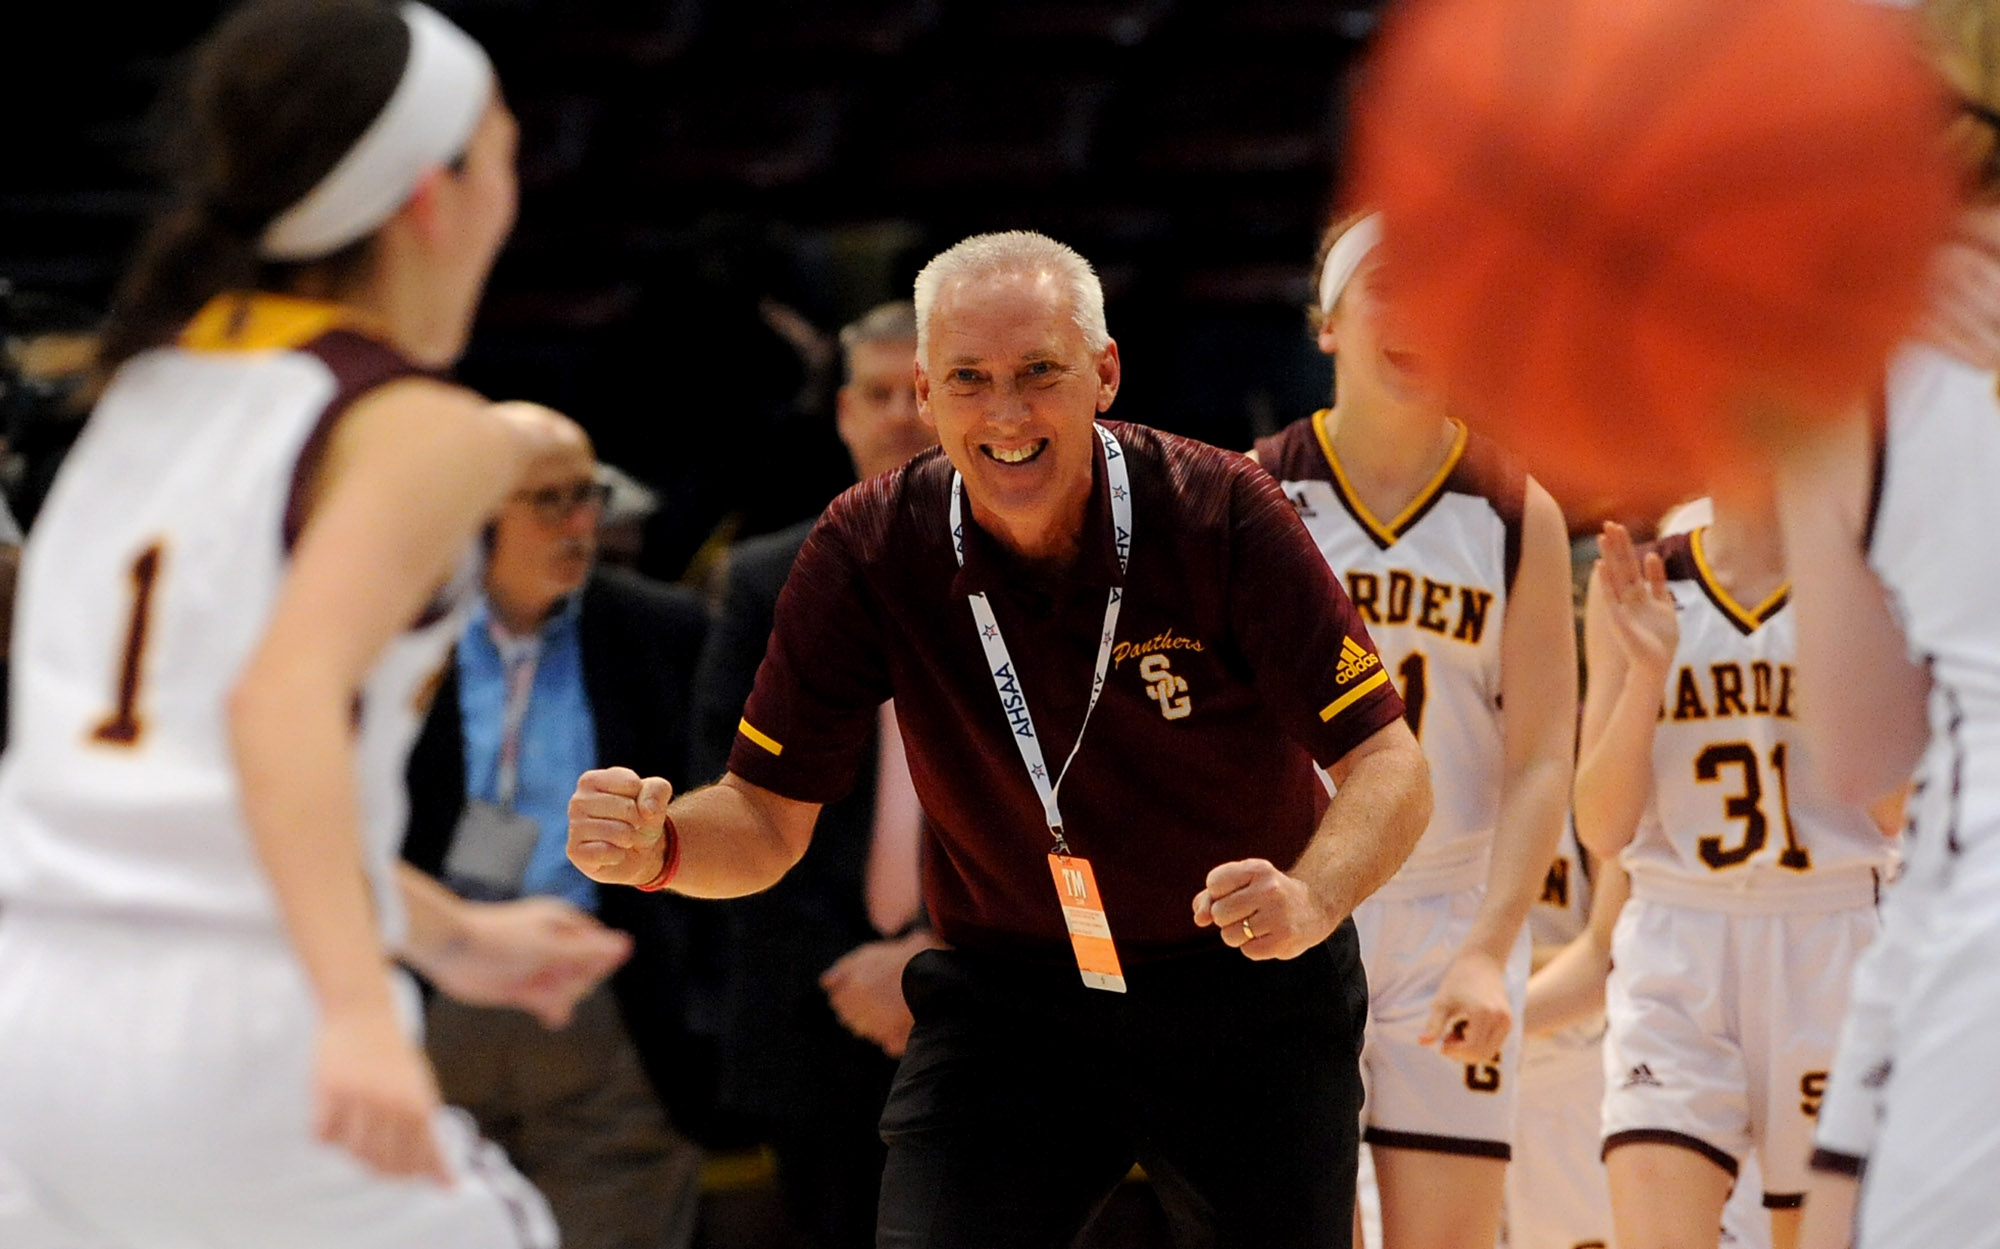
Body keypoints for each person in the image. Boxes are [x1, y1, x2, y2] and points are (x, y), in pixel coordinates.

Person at [570, 229, 1432, 1249]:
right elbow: (762, 818)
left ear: (1104, 373)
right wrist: (661, 845)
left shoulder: (1219, 508)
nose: (1007, 413)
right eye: (970, 379)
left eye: (1038, 373)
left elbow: (1387, 761)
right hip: (1011, 995)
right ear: (926, 393)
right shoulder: (866, 544)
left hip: (1244, 982)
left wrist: (1312, 896)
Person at [0, 2, 597, 1243]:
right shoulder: (407, 424)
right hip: (240, 1023)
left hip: (33, 1018)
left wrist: (446, 933)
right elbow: (277, 706)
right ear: (431, 196)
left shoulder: (145, 382)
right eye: (503, 154)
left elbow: (181, 800)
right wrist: (360, 1011)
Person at [1251, 211, 1577, 1249]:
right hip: (1304, 897)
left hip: (1452, 909)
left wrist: (1490, 947)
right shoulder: (1255, 491)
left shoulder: (1514, 506)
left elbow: (1541, 757)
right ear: (1328, 322)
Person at [402, 411, 708, 1249]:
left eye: (589, 496)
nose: (581, 524)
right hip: (431, 982)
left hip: (603, 991)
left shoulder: (664, 629)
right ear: (473, 512)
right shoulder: (397, 633)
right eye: (549, 501)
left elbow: (719, 812)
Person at [1574, 481, 1894, 1249]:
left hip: (1831, 934)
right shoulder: (1641, 581)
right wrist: (1647, 675)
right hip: (1677, 939)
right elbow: (1601, 825)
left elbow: (1900, 812)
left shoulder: (1869, 579)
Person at [690, 299, 937, 1249]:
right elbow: (730, 788)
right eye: (876, 394)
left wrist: (936, 951)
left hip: (993, 980)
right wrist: (862, 966)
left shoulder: (1042, 569)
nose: (899, 416)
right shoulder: (765, 578)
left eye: (919, 391)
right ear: (842, 413)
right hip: (815, 993)